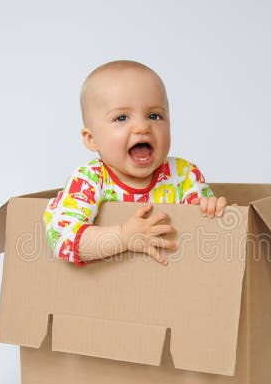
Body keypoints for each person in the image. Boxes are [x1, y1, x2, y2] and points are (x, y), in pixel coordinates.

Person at [44, 60, 227, 266]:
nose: (142, 126)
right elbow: (62, 237)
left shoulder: (183, 175)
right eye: (121, 118)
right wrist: (123, 237)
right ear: (91, 139)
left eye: (154, 115)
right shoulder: (90, 179)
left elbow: (201, 234)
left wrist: (210, 209)